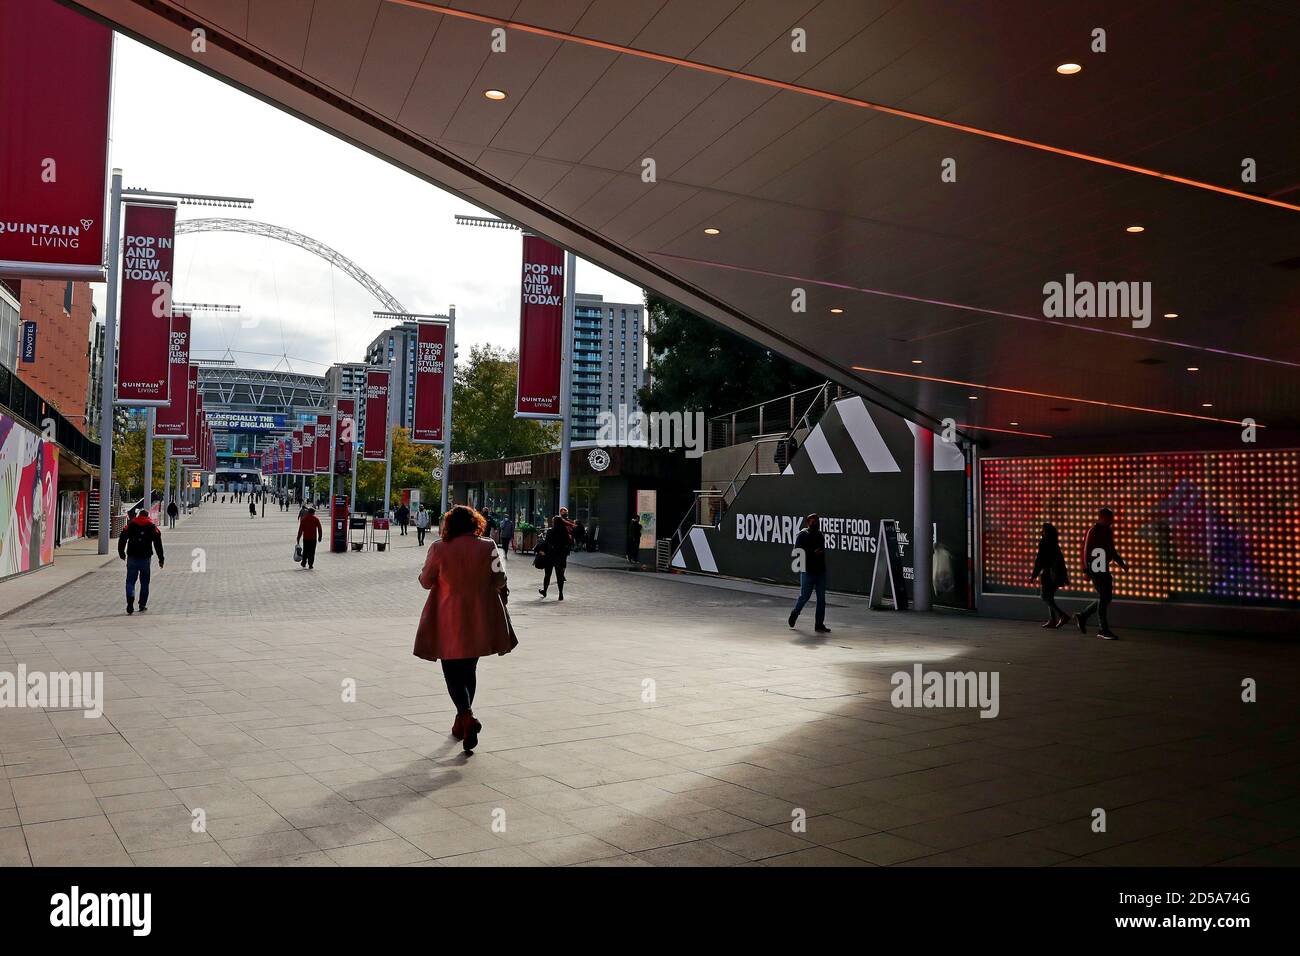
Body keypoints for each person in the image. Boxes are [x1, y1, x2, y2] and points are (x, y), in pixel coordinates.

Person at [414, 505, 515, 754]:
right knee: (469, 668)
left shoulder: (439, 547)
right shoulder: (488, 545)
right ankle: (462, 721)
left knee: (451, 669)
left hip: (448, 617)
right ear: (475, 523)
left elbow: (426, 582)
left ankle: (466, 717)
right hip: (480, 616)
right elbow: (500, 578)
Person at [1078, 507, 1127, 640]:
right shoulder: (1093, 531)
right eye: (1110, 518)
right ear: (1103, 518)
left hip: (1103, 567)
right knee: (1104, 597)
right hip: (1094, 567)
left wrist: (1121, 563)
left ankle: (1083, 616)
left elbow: (1112, 550)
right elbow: (1084, 551)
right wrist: (1085, 570)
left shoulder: (1108, 531)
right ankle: (1103, 629)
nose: (1112, 521)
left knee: (1106, 597)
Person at [788, 513, 830, 633]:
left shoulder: (820, 535)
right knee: (804, 596)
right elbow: (797, 552)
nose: (815, 524)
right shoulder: (802, 535)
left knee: (821, 599)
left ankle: (819, 624)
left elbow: (822, 550)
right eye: (813, 522)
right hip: (807, 571)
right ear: (807, 523)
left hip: (820, 571)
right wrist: (812, 553)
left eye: (817, 521)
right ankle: (795, 613)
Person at [118, 507, 164, 614]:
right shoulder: (151, 526)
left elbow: (123, 537)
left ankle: (130, 597)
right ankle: (142, 604)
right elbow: (158, 544)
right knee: (144, 582)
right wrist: (161, 559)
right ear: (147, 516)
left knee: (130, 581)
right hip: (145, 558)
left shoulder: (132, 524)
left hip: (132, 557)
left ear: (139, 515)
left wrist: (121, 552)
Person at [1030, 522, 1071, 629]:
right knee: (1050, 597)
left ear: (1045, 532)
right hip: (1057, 574)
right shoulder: (1055, 544)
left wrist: (1034, 575)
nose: (1040, 531)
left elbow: (1039, 560)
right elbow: (1061, 560)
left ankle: (1062, 615)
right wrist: (1064, 575)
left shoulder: (1044, 542)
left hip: (1048, 573)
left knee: (1044, 596)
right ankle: (1052, 620)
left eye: (1042, 530)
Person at [538, 514, 570, 600]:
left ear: (554, 523)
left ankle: (545, 590)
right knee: (560, 575)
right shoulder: (565, 532)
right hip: (560, 557)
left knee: (547, 574)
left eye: (552, 521)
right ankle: (560, 594)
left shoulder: (550, 531)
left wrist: (541, 550)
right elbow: (568, 545)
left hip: (550, 556)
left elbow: (546, 543)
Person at [297, 505, 323, 570]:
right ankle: (310, 564)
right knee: (312, 551)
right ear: (313, 513)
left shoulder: (304, 519)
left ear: (308, 512)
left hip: (306, 538)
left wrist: (298, 538)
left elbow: (300, 530)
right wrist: (320, 537)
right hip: (313, 539)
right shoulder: (316, 519)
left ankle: (303, 563)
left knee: (305, 551)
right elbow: (320, 529)